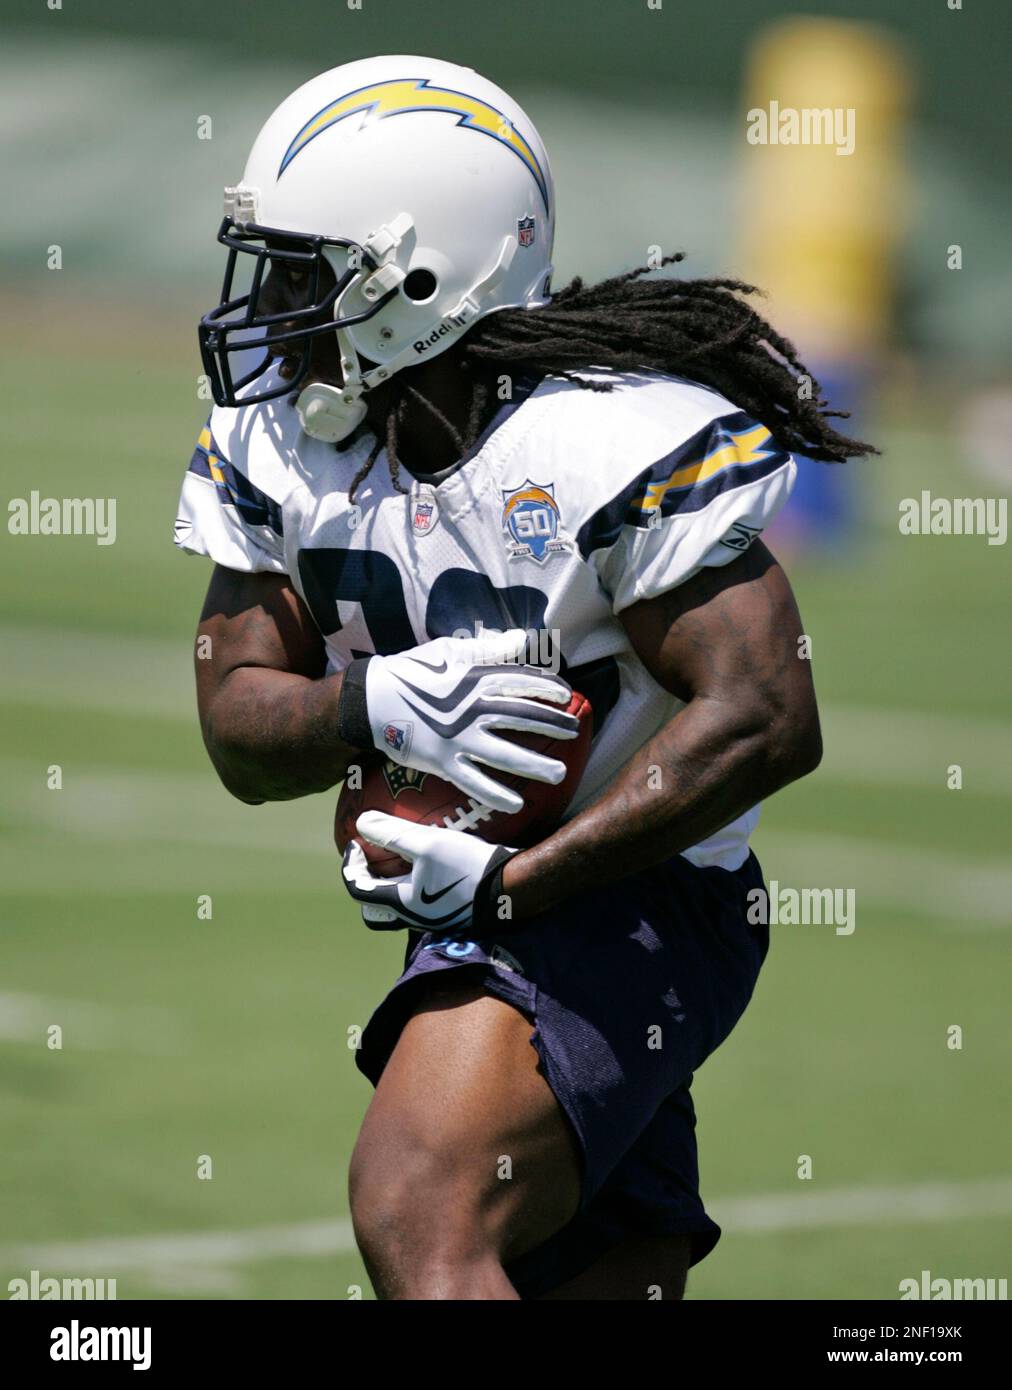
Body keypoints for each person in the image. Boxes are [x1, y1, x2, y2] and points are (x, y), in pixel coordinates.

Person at [176, 54, 874, 1299]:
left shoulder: (598, 439)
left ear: (424, 273)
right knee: (597, 1271)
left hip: (645, 892)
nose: (271, 304)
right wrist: (367, 704)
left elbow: (765, 716)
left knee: (422, 1209)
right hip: (488, 895)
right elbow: (236, 725)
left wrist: (510, 887)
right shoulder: (286, 440)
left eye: (304, 271)